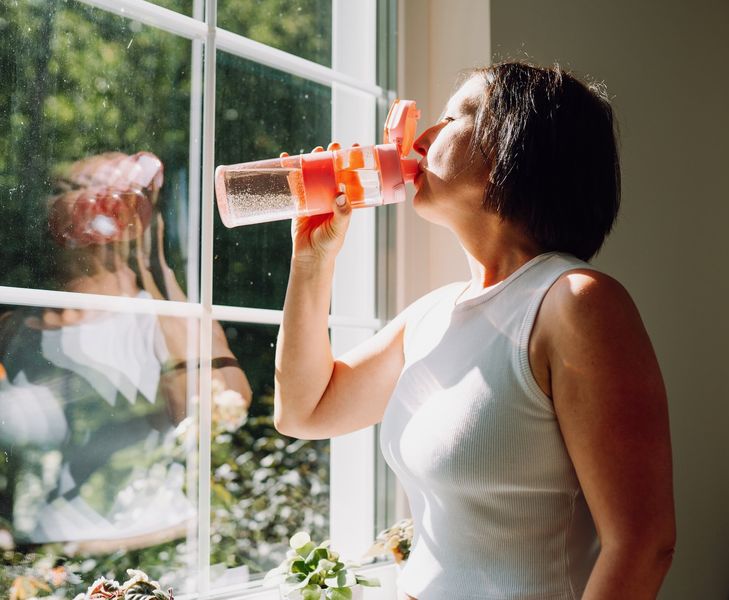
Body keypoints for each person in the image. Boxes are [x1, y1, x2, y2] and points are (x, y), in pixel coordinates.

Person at [274, 61, 675, 600]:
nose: (424, 136)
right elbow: (304, 411)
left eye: (453, 117)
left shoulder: (576, 303)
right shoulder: (431, 316)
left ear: (515, 150)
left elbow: (643, 545)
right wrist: (311, 259)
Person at [0, 152, 251, 555]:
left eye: (113, 193)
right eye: (73, 189)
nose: (96, 204)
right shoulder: (16, 328)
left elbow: (221, 412)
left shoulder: (163, 317)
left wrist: (155, 268)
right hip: (47, 555)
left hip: (160, 547)